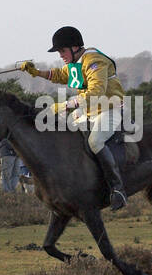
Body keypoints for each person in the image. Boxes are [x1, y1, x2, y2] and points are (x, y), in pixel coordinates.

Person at [20, 25, 129, 210]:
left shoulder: (95, 61)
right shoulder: (75, 63)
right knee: (65, 138)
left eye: (62, 51)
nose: (60, 55)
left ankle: (117, 188)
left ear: (75, 47)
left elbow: (96, 91)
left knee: (95, 141)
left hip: (110, 109)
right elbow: (60, 75)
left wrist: (64, 105)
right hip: (88, 112)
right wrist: (36, 72)